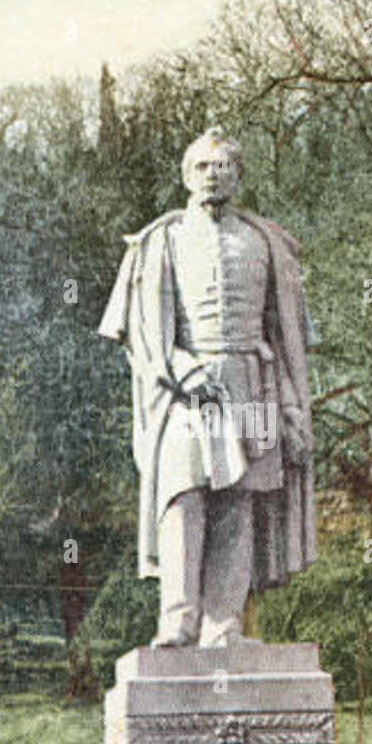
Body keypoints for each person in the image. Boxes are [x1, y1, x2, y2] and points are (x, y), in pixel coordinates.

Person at [99, 127, 316, 646]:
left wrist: (291, 409)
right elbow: (149, 330)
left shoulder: (269, 242)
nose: (213, 175)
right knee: (184, 497)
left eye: (222, 167)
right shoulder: (160, 241)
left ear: (239, 175)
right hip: (187, 389)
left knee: (239, 503)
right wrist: (183, 371)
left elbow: (283, 336)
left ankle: (224, 625)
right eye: (202, 167)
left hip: (253, 383)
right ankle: (178, 621)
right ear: (186, 175)